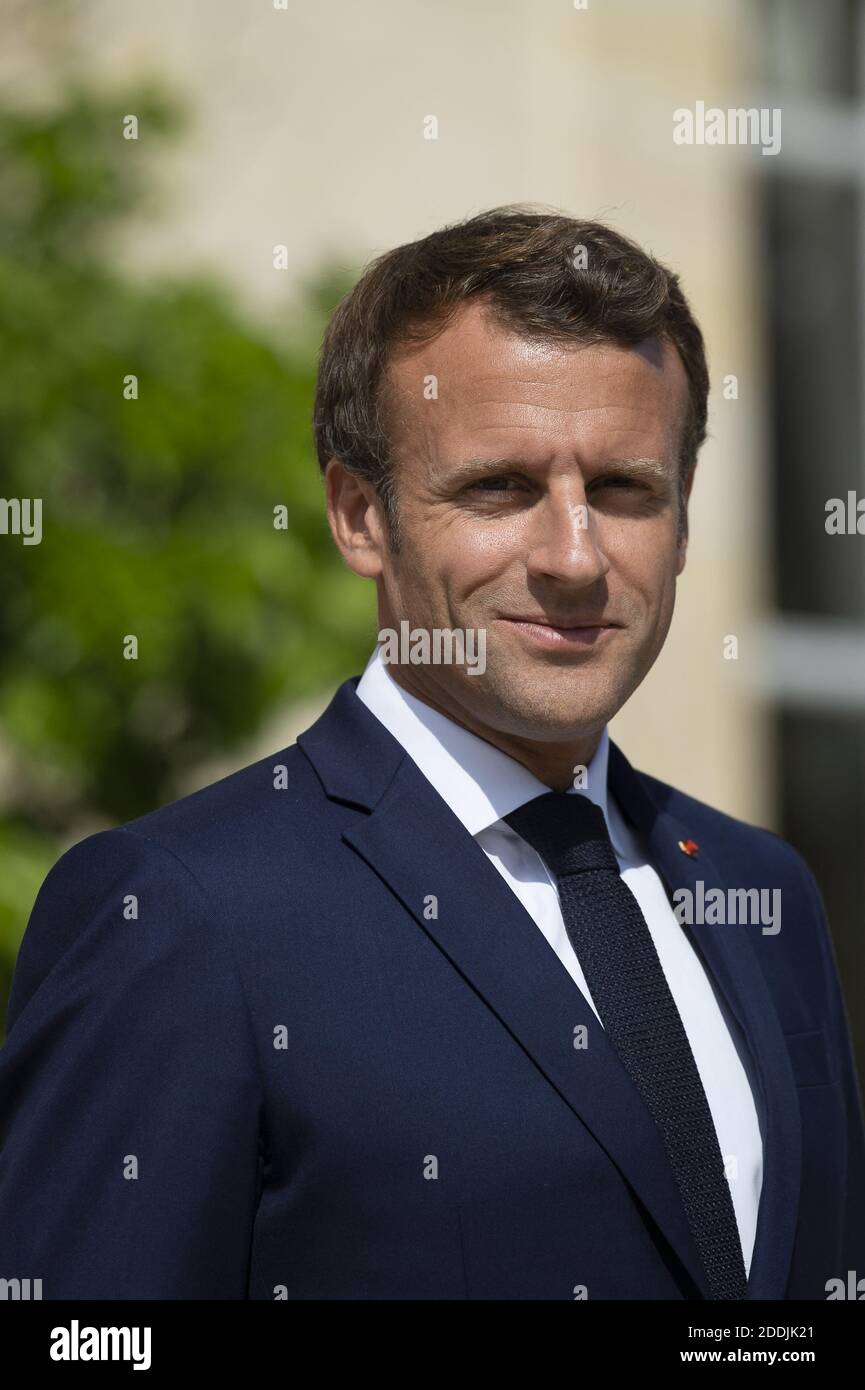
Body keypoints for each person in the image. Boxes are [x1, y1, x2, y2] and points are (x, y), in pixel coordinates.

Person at [1, 206, 862, 1300]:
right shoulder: (183, 914)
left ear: (684, 522)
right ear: (359, 515)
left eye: (623, 489)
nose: (573, 556)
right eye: (498, 487)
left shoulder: (759, 889)